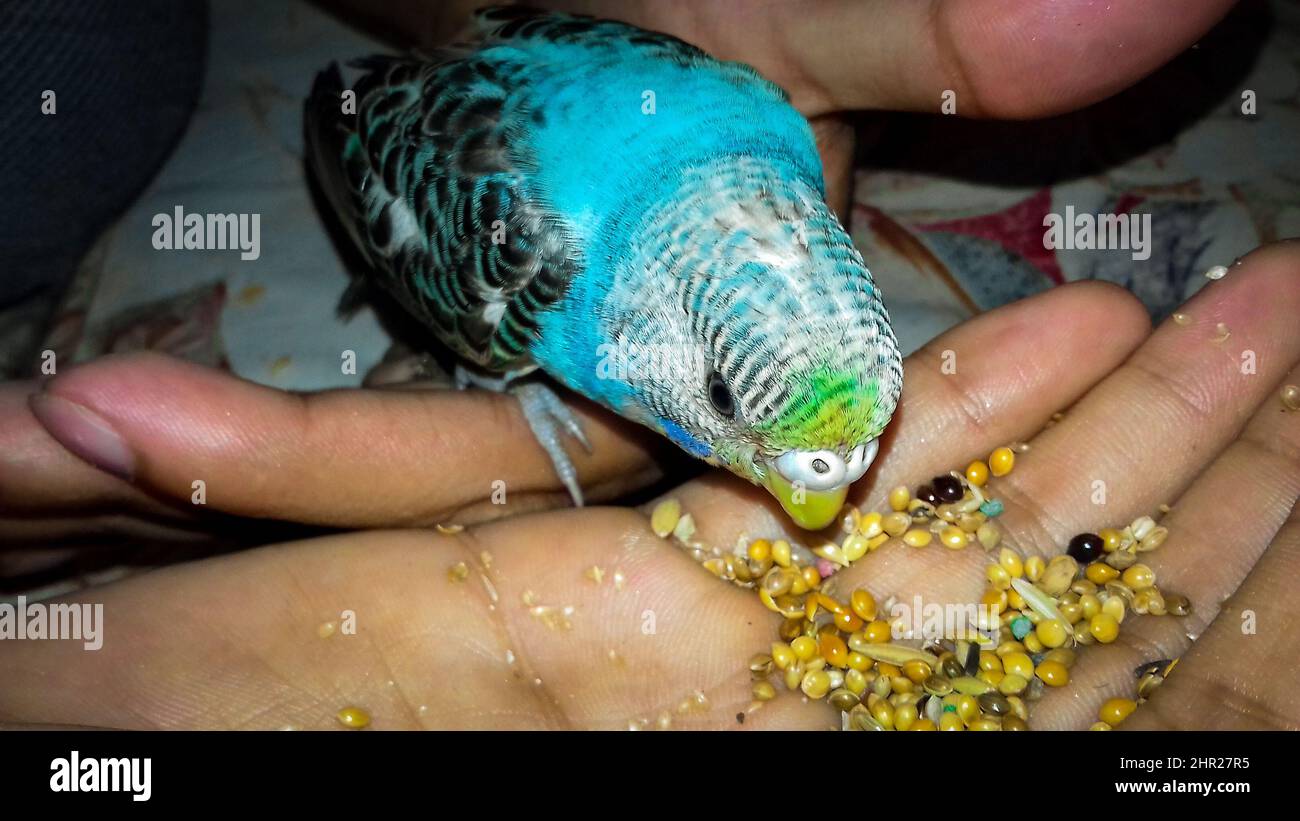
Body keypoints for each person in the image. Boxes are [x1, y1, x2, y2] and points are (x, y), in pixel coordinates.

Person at [3, 0, 1297, 730]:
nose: (818, 509)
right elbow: (351, 113)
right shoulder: (535, 250)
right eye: (746, 409)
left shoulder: (777, 135)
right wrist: (539, 393)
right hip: (442, 108)